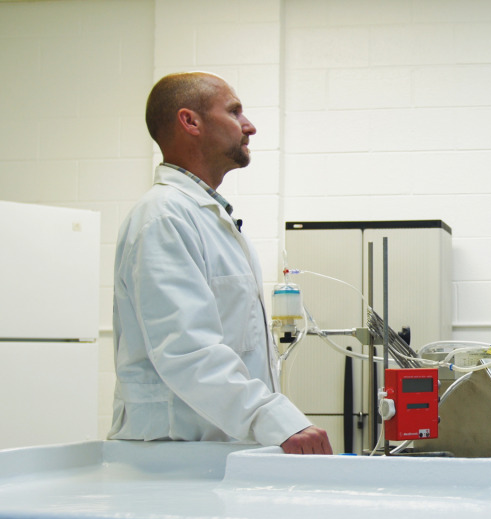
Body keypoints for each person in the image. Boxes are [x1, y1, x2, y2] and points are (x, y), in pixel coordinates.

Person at [109, 72, 332, 455]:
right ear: (190, 122)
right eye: (234, 112)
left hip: (208, 452)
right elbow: (187, 350)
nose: (250, 126)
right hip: (172, 457)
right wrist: (274, 420)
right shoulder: (163, 217)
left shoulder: (208, 218)